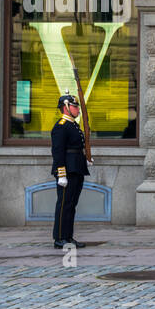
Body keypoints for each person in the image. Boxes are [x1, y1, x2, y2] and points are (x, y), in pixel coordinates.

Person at [50, 93, 89, 250]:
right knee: (64, 204)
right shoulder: (61, 126)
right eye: (75, 106)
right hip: (67, 169)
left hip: (76, 168)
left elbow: (76, 147)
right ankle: (59, 237)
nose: (78, 109)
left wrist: (85, 158)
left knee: (72, 204)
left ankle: (68, 236)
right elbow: (58, 152)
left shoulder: (73, 125)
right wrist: (61, 174)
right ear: (66, 107)